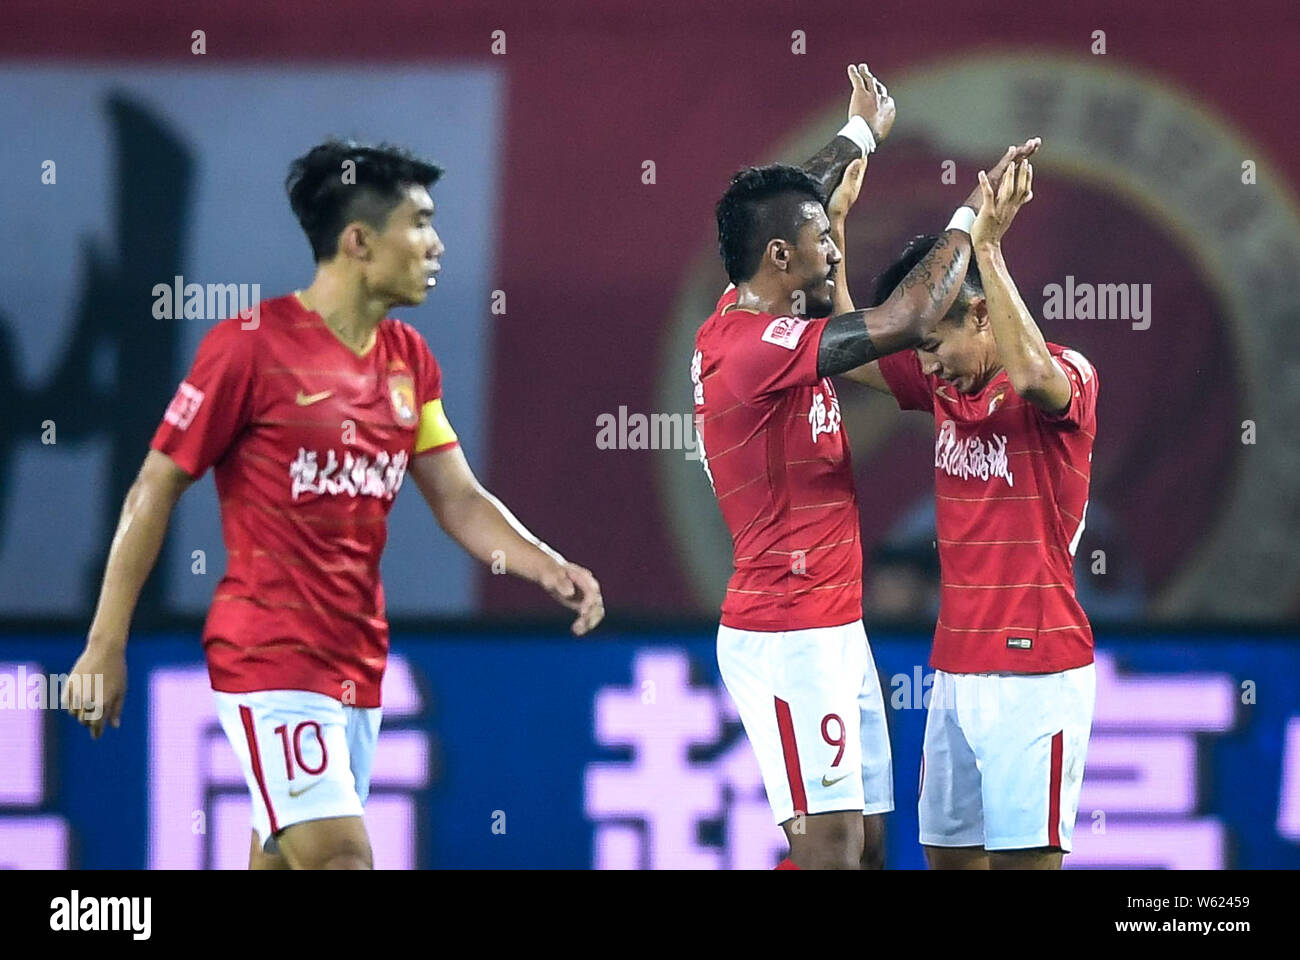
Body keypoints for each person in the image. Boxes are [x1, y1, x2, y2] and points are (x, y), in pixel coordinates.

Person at [63, 139, 605, 870]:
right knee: (341, 858)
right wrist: (104, 642)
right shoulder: (249, 349)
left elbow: (456, 494)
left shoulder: (409, 360)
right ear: (358, 240)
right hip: (269, 655)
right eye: (420, 222)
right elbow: (155, 484)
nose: (437, 244)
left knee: (287, 861)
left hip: (357, 663)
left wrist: (544, 565)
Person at [695, 60, 1037, 869]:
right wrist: (974, 221)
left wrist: (858, 136)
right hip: (785, 630)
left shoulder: (755, 295)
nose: (835, 237)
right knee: (833, 848)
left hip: (832, 625)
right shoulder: (753, 347)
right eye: (822, 237)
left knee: (869, 844)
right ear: (782, 256)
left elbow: (790, 196)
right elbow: (909, 315)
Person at [843, 156, 1098, 869]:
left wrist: (987, 244)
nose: (926, 367)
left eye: (934, 345)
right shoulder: (944, 386)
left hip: (1035, 674)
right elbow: (849, 342)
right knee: (947, 862)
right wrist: (836, 221)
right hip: (954, 671)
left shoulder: (1067, 377)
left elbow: (1030, 374)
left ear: (981, 313)